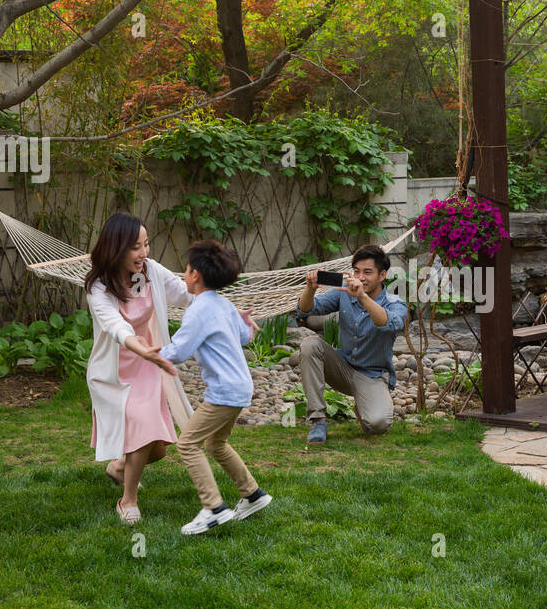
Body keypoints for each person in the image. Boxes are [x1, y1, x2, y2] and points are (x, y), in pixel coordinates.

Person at [154, 240, 273, 535]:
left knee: (187, 444)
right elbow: (244, 338)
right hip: (240, 388)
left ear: (195, 275)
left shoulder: (199, 310)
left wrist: (153, 353)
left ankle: (213, 508)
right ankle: (253, 494)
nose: (184, 273)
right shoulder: (223, 304)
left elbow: (180, 351)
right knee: (216, 444)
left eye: (186, 268)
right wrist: (244, 321)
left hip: (223, 392)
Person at [84, 213, 192, 525]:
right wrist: (143, 349)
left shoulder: (151, 272)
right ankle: (127, 500)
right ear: (117, 248)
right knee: (143, 432)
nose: (143, 253)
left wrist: (226, 307)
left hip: (148, 363)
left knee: (156, 450)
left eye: (146, 244)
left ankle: (118, 469)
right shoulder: (99, 288)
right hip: (116, 369)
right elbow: (117, 328)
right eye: (135, 247)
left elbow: (186, 293)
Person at [295, 244, 409, 444]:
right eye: (356, 271)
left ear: (382, 276)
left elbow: (389, 323)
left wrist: (363, 297)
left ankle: (363, 409)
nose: (360, 277)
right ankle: (318, 420)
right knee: (310, 345)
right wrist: (310, 289)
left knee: (378, 425)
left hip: (372, 375)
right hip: (342, 367)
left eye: (367, 272)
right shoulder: (344, 293)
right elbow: (306, 309)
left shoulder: (394, 302)